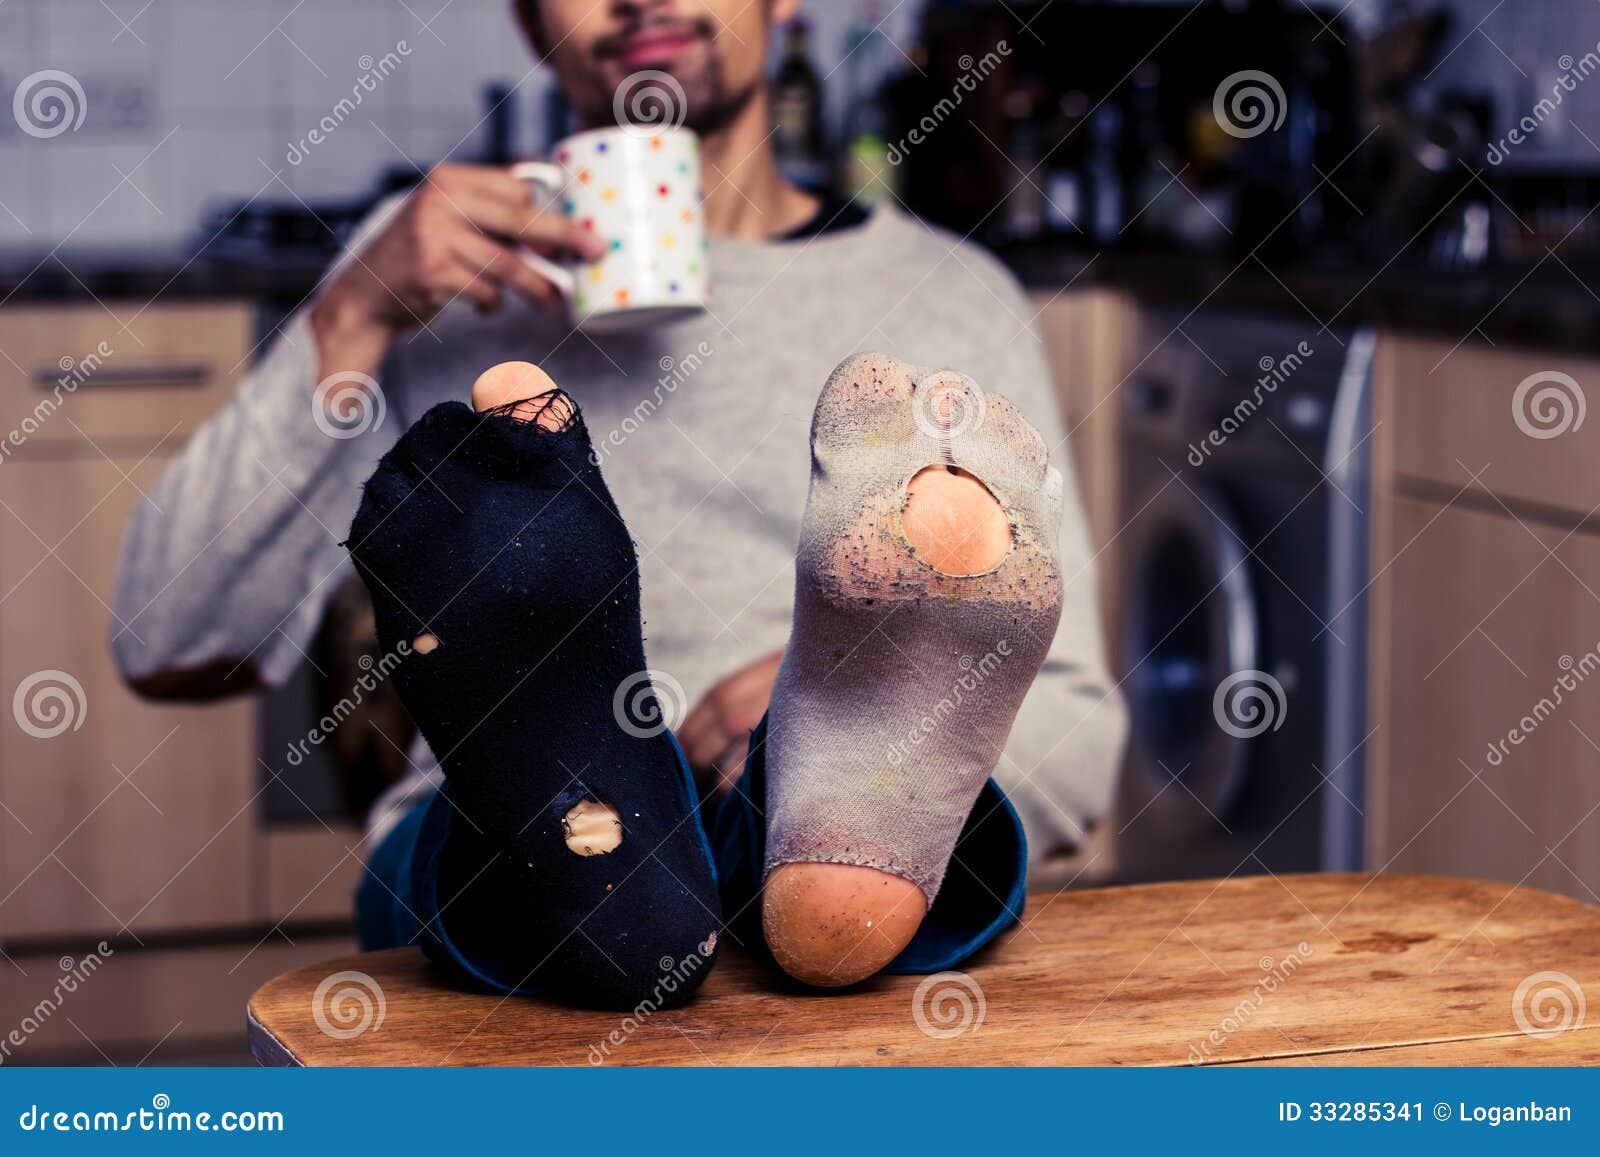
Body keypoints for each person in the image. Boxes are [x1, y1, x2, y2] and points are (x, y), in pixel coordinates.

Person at [113, 0, 1126, 1000]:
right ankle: (593, 808)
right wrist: (349, 315)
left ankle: (807, 798)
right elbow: (172, 636)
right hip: (484, 820)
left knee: (835, 797)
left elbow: (1081, 731)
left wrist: (816, 699)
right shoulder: (432, 277)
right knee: (490, 842)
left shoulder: (952, 292)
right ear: (526, 21)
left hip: (802, 817)